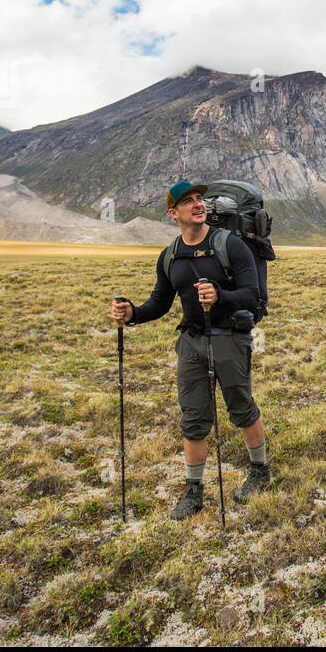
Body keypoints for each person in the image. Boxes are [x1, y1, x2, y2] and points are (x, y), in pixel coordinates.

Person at [110, 180, 271, 519]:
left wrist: (220, 297)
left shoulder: (230, 245)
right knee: (193, 416)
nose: (198, 204)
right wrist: (133, 314)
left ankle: (260, 470)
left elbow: (252, 295)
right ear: (174, 213)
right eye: (189, 201)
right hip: (191, 342)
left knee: (241, 406)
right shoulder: (171, 256)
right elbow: (159, 302)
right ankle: (193, 491)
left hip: (230, 335)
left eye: (200, 199)